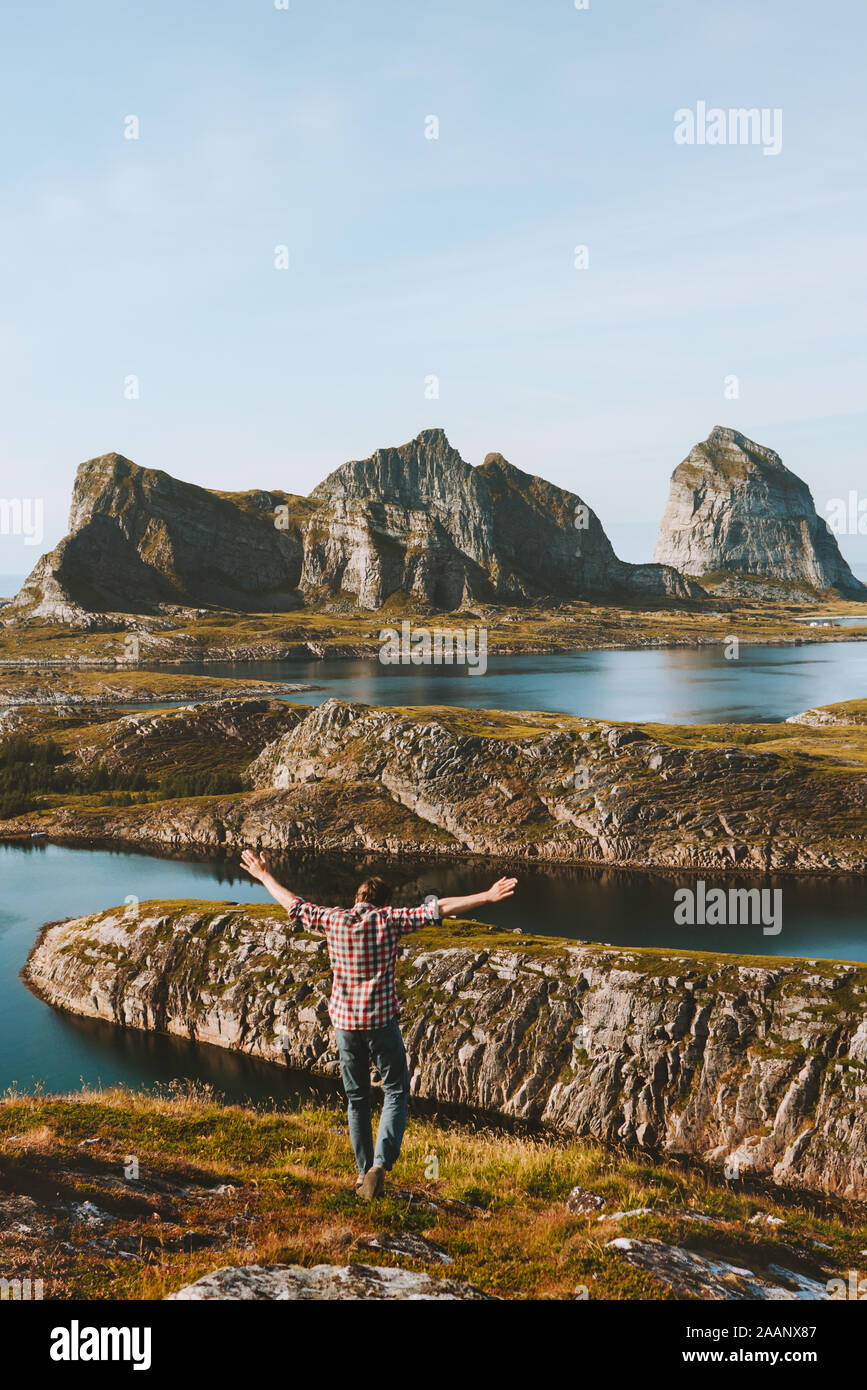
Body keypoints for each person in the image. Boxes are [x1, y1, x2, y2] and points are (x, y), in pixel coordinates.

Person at [240, 850, 517, 1200]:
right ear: (384, 902)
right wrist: (487, 896)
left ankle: (361, 1173)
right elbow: (440, 908)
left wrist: (263, 875)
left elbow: (292, 904)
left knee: (356, 1099)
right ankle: (379, 1167)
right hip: (381, 1022)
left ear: (356, 899)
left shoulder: (332, 920)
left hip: (344, 1025)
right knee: (396, 1091)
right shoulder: (389, 920)